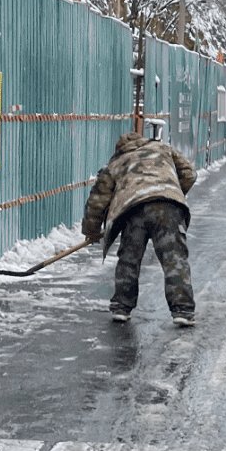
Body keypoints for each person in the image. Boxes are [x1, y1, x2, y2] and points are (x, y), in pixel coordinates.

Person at [82, 129, 197, 326]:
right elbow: (189, 174)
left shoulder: (116, 163)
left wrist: (92, 231)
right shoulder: (163, 148)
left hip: (133, 210)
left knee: (129, 259)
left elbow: (98, 200)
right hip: (168, 208)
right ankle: (183, 311)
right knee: (174, 260)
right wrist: (172, 191)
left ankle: (121, 307)